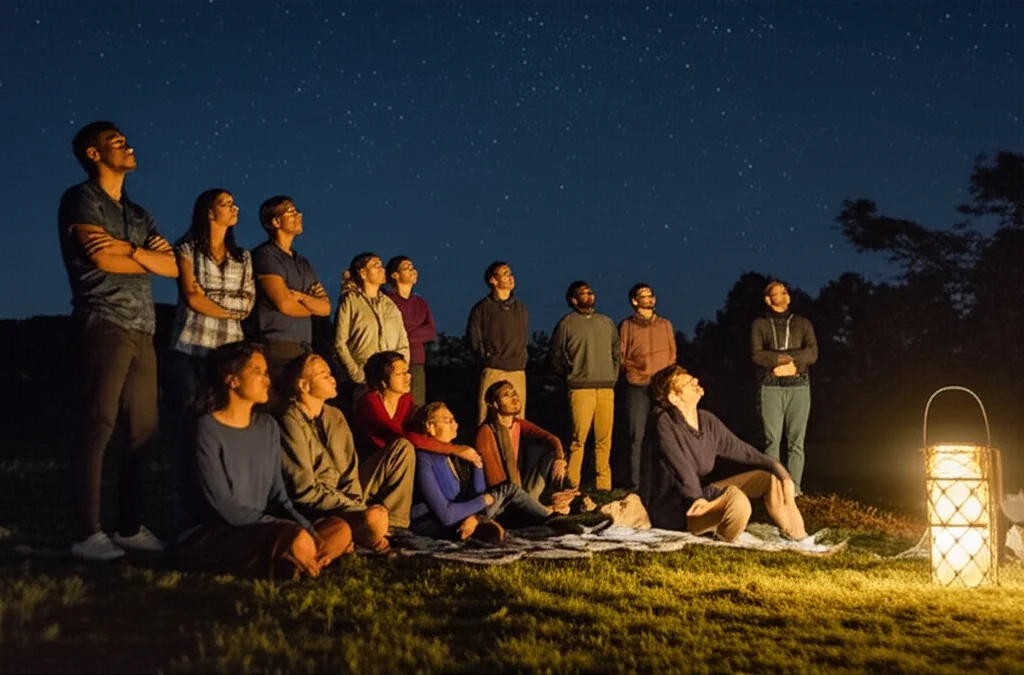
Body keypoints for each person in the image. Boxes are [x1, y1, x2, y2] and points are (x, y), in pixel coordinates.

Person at [58, 121, 178, 561]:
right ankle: (86, 533)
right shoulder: (81, 199)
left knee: (144, 430)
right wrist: (137, 254)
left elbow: (171, 267)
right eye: (115, 142)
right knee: (99, 424)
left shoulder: (139, 213)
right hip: (103, 320)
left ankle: (128, 527)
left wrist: (129, 252)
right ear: (93, 154)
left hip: (143, 327)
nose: (127, 145)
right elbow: (99, 255)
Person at [174, 342, 353, 578]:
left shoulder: (267, 426)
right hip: (215, 532)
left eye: (267, 373)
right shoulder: (207, 428)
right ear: (232, 379)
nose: (266, 380)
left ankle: (301, 559)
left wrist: (311, 531)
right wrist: (288, 529)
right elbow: (224, 507)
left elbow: (279, 497)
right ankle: (300, 560)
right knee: (293, 538)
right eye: (257, 372)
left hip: (263, 529)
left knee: (340, 529)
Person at [640, 365, 812, 545]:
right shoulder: (664, 423)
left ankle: (796, 535)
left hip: (702, 497)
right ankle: (720, 535)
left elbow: (745, 452)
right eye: (688, 383)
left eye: (693, 379)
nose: (695, 382)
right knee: (737, 500)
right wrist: (699, 500)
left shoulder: (707, 421)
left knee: (768, 479)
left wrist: (782, 473)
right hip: (677, 509)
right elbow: (682, 470)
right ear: (674, 397)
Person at [278, 352, 414, 551]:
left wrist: (357, 503)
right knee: (369, 518)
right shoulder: (289, 419)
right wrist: (358, 509)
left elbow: (350, 472)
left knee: (403, 448)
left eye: (330, 373)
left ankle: (392, 528)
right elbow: (304, 490)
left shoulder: (334, 415)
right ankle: (369, 532)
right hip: (317, 505)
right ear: (304, 386)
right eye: (324, 375)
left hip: (346, 497)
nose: (332, 379)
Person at [409, 402, 556, 542]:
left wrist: (477, 466)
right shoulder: (424, 460)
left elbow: (477, 493)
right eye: (448, 421)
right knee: (496, 502)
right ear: (431, 427)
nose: (455, 425)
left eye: (454, 420)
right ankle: (484, 526)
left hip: (467, 513)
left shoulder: (456, 453)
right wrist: (483, 502)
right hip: (437, 522)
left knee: (510, 489)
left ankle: (549, 516)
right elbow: (446, 515)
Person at [251, 196, 331, 385]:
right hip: (278, 346)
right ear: (276, 222)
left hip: (303, 347)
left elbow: (326, 307)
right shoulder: (266, 255)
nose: (299, 215)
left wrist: (301, 297)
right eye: (291, 212)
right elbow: (285, 304)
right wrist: (311, 308)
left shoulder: (303, 263)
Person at [549, 281, 621, 490]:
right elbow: (556, 355)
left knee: (604, 439)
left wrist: (613, 376)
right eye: (584, 293)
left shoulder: (606, 322)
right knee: (578, 439)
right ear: (574, 299)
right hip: (581, 388)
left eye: (590, 291)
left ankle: (603, 486)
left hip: (606, 387)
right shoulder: (567, 324)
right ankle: (572, 484)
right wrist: (571, 376)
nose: (589, 295)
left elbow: (616, 352)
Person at [353, 351, 483, 467]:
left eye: (407, 371)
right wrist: (454, 449)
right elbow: (399, 438)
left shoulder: (405, 400)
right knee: (408, 448)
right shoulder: (369, 402)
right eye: (401, 374)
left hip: (397, 461)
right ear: (383, 382)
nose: (408, 377)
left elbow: (417, 432)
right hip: (371, 464)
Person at [751, 280, 819, 496]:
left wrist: (791, 364)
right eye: (776, 293)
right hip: (770, 387)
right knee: (772, 441)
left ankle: (795, 490)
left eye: (785, 292)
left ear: (789, 297)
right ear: (768, 298)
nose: (782, 295)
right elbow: (757, 354)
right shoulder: (760, 324)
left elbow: (812, 352)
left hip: (799, 386)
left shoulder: (802, 323)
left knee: (796, 441)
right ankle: (775, 488)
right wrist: (778, 363)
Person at [475, 380, 575, 512]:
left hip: (521, 489)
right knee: (517, 495)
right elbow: (496, 482)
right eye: (506, 395)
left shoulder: (518, 425)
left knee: (551, 454)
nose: (514, 398)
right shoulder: (486, 433)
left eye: (514, 393)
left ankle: (559, 497)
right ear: (495, 404)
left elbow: (552, 439)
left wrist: (559, 459)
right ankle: (547, 511)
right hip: (502, 496)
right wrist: (516, 496)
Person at [618, 283, 677, 491]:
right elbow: (621, 356)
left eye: (650, 295)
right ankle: (636, 486)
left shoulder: (665, 324)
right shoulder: (627, 326)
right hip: (638, 386)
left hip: (661, 386)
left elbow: (672, 354)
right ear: (634, 301)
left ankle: (666, 485)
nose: (649, 298)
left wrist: (668, 380)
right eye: (643, 296)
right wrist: (633, 371)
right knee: (638, 437)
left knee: (664, 436)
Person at [334, 252, 409, 390]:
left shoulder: (390, 305)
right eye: (376, 265)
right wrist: (356, 373)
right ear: (363, 273)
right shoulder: (351, 302)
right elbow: (340, 342)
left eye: (382, 265)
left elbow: (402, 342)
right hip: (364, 377)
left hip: (390, 379)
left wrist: (401, 370)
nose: (382, 269)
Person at [466, 261, 529, 423]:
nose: (510, 277)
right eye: (505, 273)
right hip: (493, 369)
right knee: (487, 415)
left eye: (510, 273)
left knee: (517, 418)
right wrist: (487, 358)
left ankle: (514, 449)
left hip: (517, 369)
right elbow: (474, 339)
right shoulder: (482, 308)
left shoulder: (521, 308)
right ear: (493, 280)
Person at [384, 255, 436, 405]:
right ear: (395, 275)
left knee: (416, 405)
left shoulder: (421, 303)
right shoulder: (388, 301)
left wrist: (407, 335)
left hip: (416, 361)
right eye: (406, 268)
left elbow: (430, 330)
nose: (413, 271)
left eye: (412, 267)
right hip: (394, 360)